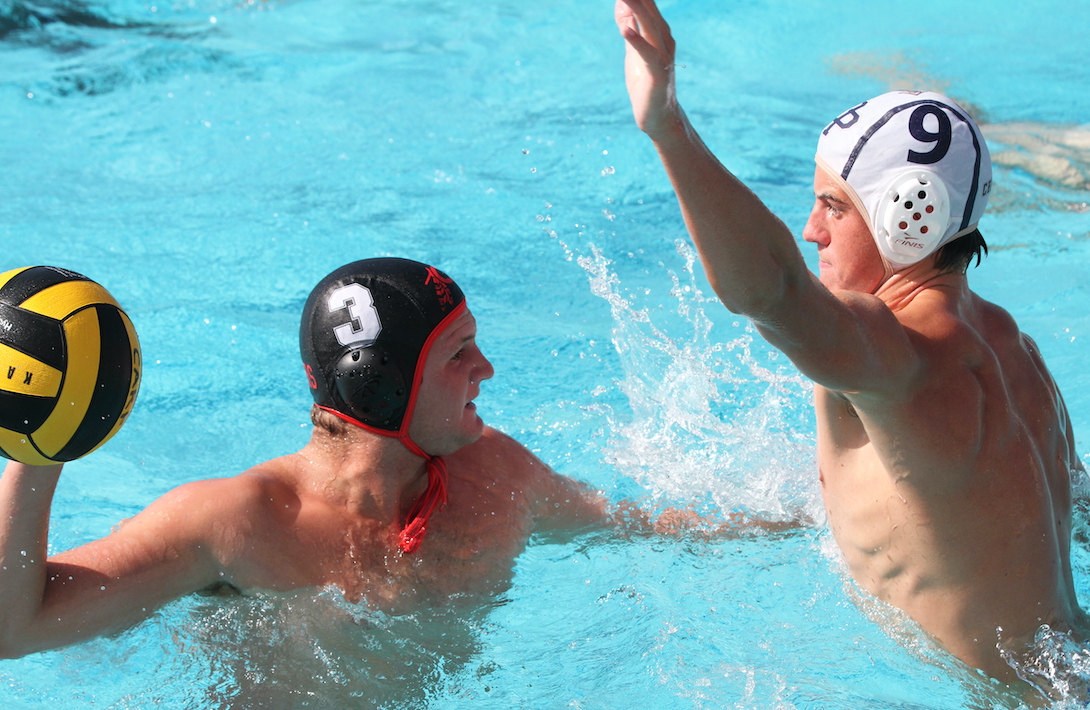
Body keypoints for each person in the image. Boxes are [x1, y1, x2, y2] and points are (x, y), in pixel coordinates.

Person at [615, 0, 1087, 686]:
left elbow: (771, 292)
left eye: (833, 206)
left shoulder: (906, 357)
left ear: (911, 216)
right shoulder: (1015, 349)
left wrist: (668, 127)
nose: (811, 230)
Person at [0, 257, 609, 658]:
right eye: (458, 354)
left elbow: (644, 533)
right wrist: (42, 448)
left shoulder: (496, 473)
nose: (486, 370)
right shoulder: (234, 522)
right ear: (379, 386)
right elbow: (14, 628)